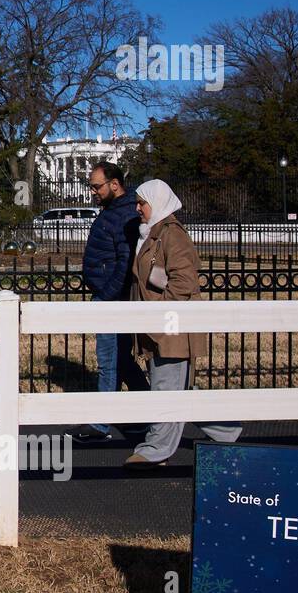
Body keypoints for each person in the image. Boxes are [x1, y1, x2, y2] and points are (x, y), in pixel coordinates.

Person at [125, 179, 241, 468]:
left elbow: (184, 282)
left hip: (171, 328)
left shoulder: (172, 236)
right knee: (179, 388)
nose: (137, 207)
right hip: (159, 326)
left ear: (158, 202)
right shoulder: (152, 234)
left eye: (142, 202)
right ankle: (227, 431)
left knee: (166, 389)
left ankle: (156, 450)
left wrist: (161, 311)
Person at [72, 162, 149, 443]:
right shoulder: (114, 212)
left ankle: (101, 424)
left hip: (112, 299)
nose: (92, 191)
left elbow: (125, 261)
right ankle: (149, 411)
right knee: (121, 360)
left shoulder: (124, 215)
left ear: (114, 184)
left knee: (108, 360)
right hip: (109, 295)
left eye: (96, 186)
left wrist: (107, 293)